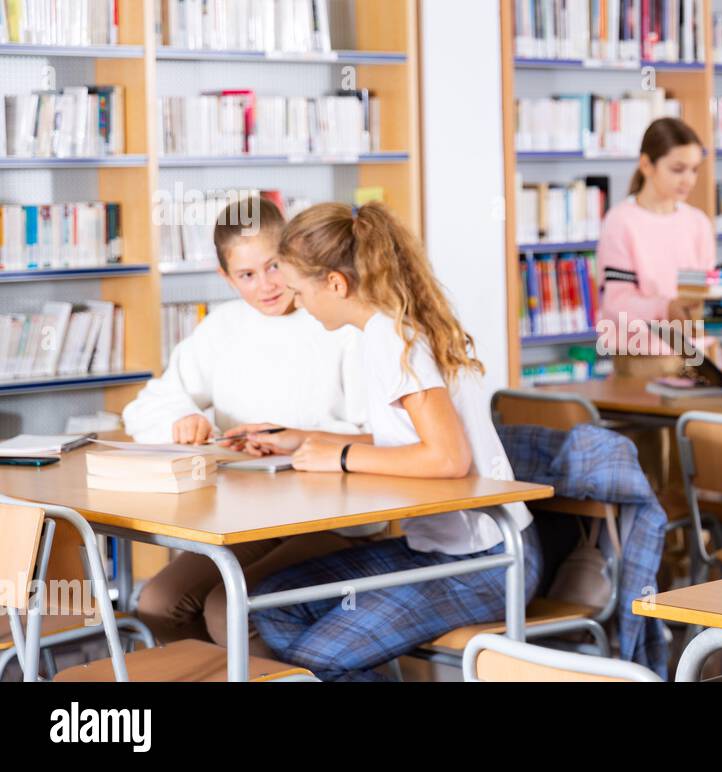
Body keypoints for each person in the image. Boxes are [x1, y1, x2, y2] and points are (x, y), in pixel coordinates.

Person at [238, 202, 541, 681]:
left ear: (335, 284)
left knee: (319, 658)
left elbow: (448, 457)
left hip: (489, 563)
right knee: (274, 606)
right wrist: (306, 439)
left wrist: (339, 457)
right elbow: (404, 439)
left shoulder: (389, 337)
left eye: (298, 290)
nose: (296, 302)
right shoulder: (383, 328)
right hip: (442, 552)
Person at [123, 196, 370, 654]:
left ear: (295, 255)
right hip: (248, 519)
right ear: (225, 277)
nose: (266, 286)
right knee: (158, 602)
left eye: (275, 266)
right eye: (247, 275)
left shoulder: (334, 319)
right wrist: (183, 418)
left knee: (227, 608)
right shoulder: (223, 327)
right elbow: (147, 405)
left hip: (330, 518)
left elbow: (373, 430)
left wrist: (290, 440)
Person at [596, 116, 714, 362]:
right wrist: (665, 308)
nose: (688, 180)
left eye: (694, 170)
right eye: (677, 169)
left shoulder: (698, 223)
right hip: (640, 358)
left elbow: (707, 289)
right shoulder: (621, 222)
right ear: (647, 165)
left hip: (695, 356)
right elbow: (616, 304)